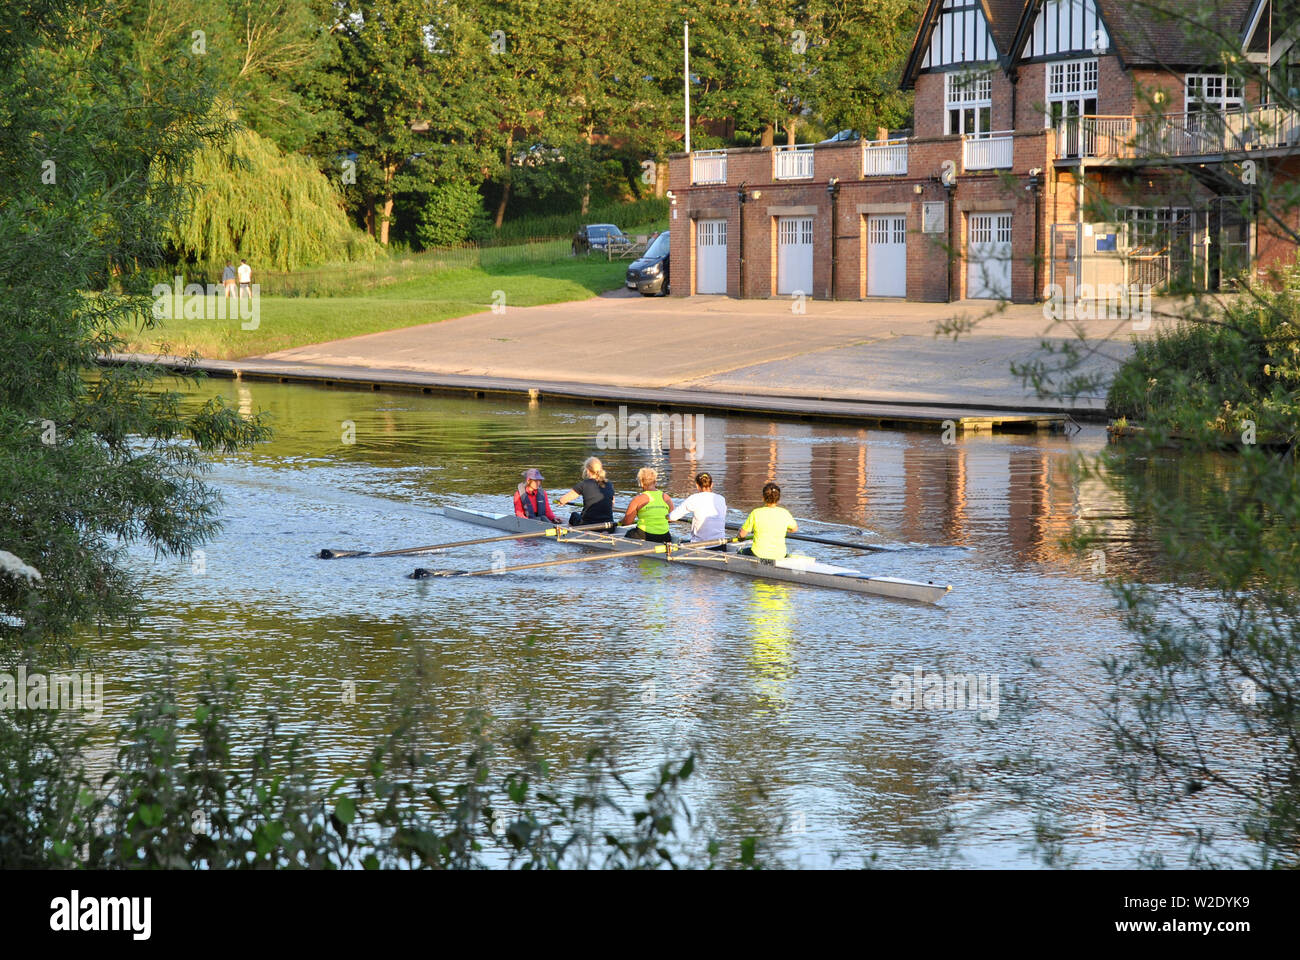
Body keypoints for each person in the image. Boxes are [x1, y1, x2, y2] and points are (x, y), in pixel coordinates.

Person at [737, 482, 797, 561]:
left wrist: (740, 536)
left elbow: (742, 534)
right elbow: (794, 529)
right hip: (780, 555)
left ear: (763, 498)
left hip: (758, 554)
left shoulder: (756, 513)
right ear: (778, 499)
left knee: (739, 552)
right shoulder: (785, 513)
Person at [668, 472, 727, 549]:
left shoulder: (694, 498)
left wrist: (666, 516)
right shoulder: (721, 499)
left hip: (699, 546)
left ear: (697, 485)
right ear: (712, 484)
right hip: (720, 545)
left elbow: (672, 517)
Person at [556, 456, 615, 526]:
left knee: (574, 515)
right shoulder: (609, 484)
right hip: (609, 525)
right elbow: (612, 505)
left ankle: (570, 534)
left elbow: (563, 500)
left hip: (588, 525)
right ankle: (605, 532)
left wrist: (560, 501)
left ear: (587, 470)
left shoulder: (584, 484)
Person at [620, 467, 673, 543]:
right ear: (655, 481)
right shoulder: (666, 497)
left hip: (645, 535)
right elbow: (671, 519)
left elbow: (627, 522)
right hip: (665, 537)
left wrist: (622, 521)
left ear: (641, 482)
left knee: (629, 533)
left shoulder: (638, 499)